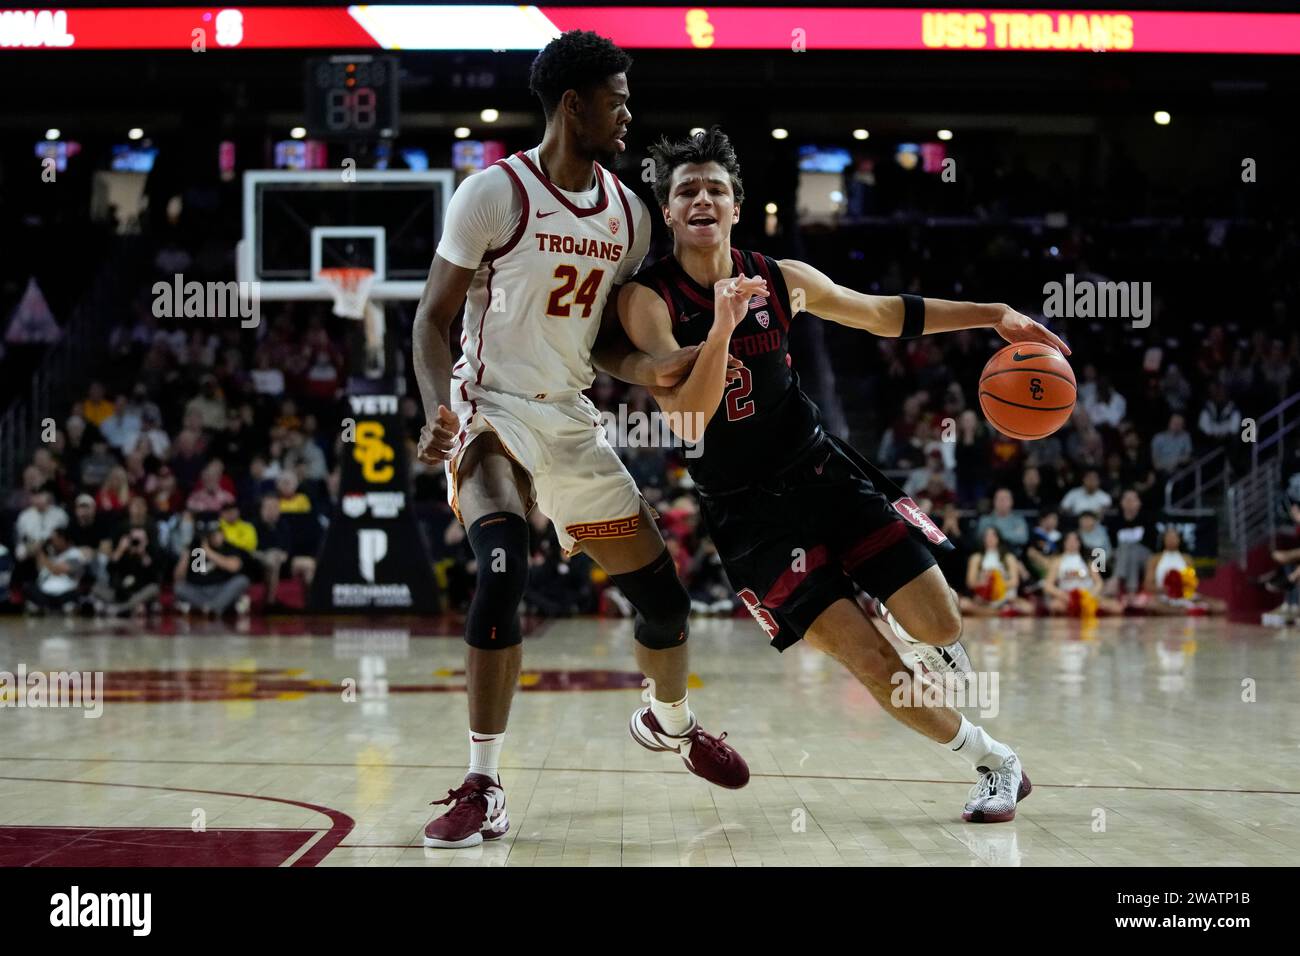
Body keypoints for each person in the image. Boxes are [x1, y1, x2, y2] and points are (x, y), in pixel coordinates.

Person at [618, 127, 1070, 822]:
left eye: (715, 188)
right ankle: (994, 761)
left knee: (941, 619)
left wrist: (993, 315)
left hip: (822, 470)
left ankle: (924, 633)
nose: (702, 198)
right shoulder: (648, 300)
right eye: (687, 191)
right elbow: (687, 420)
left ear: (737, 205)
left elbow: (882, 314)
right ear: (670, 213)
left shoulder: (781, 277)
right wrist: (722, 328)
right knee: (870, 660)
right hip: (747, 515)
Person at [410, 32, 748, 848]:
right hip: (487, 404)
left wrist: (653, 367)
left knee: (665, 605)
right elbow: (431, 317)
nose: (628, 116)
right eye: (618, 101)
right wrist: (436, 410)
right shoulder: (493, 194)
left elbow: (598, 341)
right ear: (574, 105)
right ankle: (483, 783)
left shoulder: (630, 216)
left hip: (566, 416)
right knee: (501, 566)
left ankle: (670, 719)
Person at [171, 522, 251, 617]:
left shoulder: (229, 547)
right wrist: (186, 553)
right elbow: (178, 577)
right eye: (210, 535)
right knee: (179, 587)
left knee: (242, 580)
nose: (213, 537)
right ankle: (214, 608)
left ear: (223, 534)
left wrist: (208, 552)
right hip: (199, 590)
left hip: (221, 589)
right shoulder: (196, 549)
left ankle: (207, 608)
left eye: (216, 533)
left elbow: (234, 566)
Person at [1140, 527, 1226, 614]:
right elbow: (1148, 585)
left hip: (1184, 596)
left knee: (1221, 605)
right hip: (1163, 597)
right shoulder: (1155, 559)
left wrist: (1180, 589)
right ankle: (1185, 610)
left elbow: (1192, 584)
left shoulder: (1187, 559)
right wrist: (1165, 589)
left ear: (1179, 540)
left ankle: (1185, 609)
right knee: (1151, 604)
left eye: (1174, 537)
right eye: (1169, 537)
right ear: (1164, 539)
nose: (1171, 540)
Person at [1041, 531, 1124, 615]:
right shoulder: (1057, 561)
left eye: (1075, 540)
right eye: (1069, 540)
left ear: (1080, 543)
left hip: (1087, 595)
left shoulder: (1088, 561)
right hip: (1067, 597)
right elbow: (1048, 585)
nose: (1072, 543)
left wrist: (1090, 595)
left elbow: (1099, 582)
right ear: (1064, 543)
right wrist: (1062, 595)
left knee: (1116, 607)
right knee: (1055, 606)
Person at [961, 526, 1036, 618]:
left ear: (998, 538)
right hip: (983, 597)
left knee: (1029, 608)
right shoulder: (976, 558)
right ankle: (999, 612)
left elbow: (1014, 582)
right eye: (987, 536)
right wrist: (983, 584)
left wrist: (996, 584)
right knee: (963, 605)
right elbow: (971, 582)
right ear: (983, 539)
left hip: (1005, 596)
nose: (990, 538)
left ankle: (990, 612)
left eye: (993, 535)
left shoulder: (1009, 557)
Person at [1105, 489, 1155, 596]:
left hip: (1144, 556)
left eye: (1133, 500)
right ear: (1121, 503)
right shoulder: (1114, 521)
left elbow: (1152, 545)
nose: (1130, 502)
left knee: (1132, 549)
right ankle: (1131, 591)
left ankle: (1116, 579)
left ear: (1139, 503)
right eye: (1127, 499)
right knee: (1128, 549)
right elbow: (1111, 545)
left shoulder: (1148, 519)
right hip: (1119, 555)